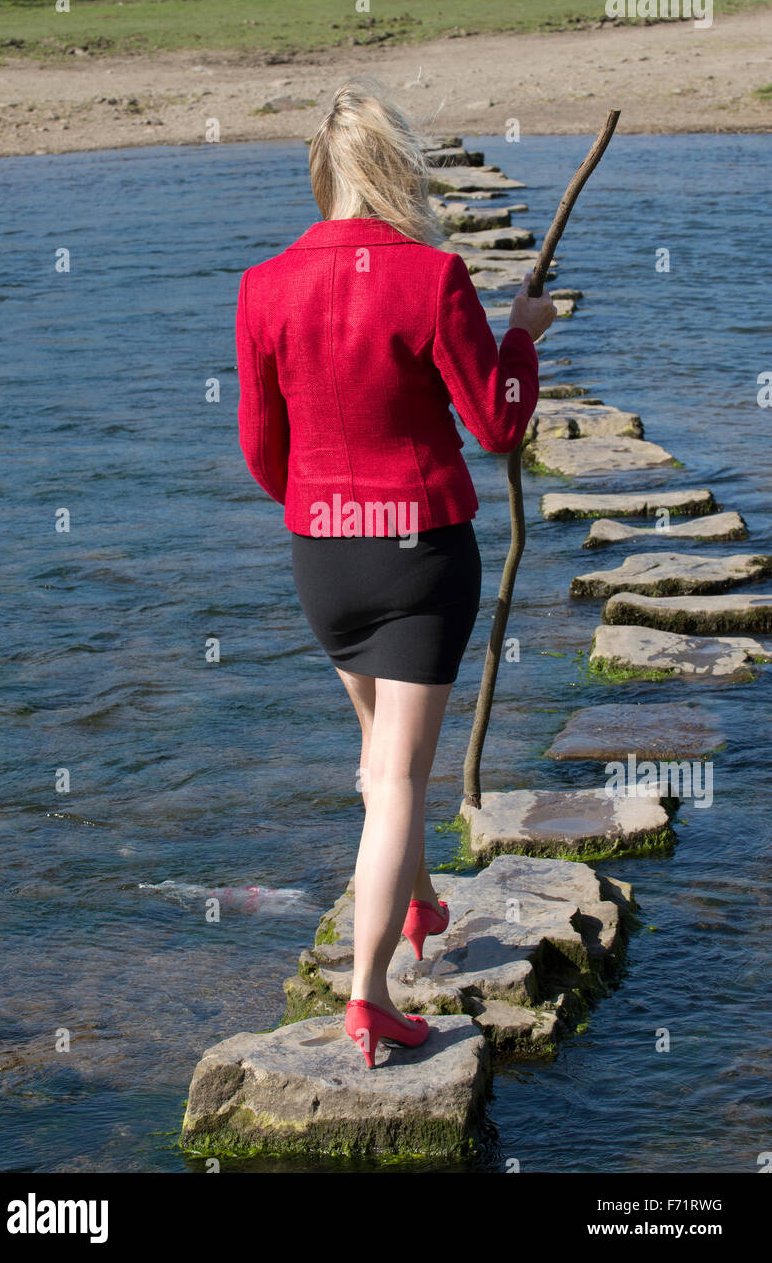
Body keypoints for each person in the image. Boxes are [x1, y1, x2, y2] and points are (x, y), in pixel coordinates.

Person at [236, 77, 556, 1069]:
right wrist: (519, 338)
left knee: (382, 756)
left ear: (322, 171)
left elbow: (261, 453)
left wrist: (324, 506)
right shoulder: (431, 278)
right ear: (392, 168)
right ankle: (369, 998)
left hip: (321, 553)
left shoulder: (262, 286)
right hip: (418, 553)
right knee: (398, 771)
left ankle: (416, 897)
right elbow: (497, 424)